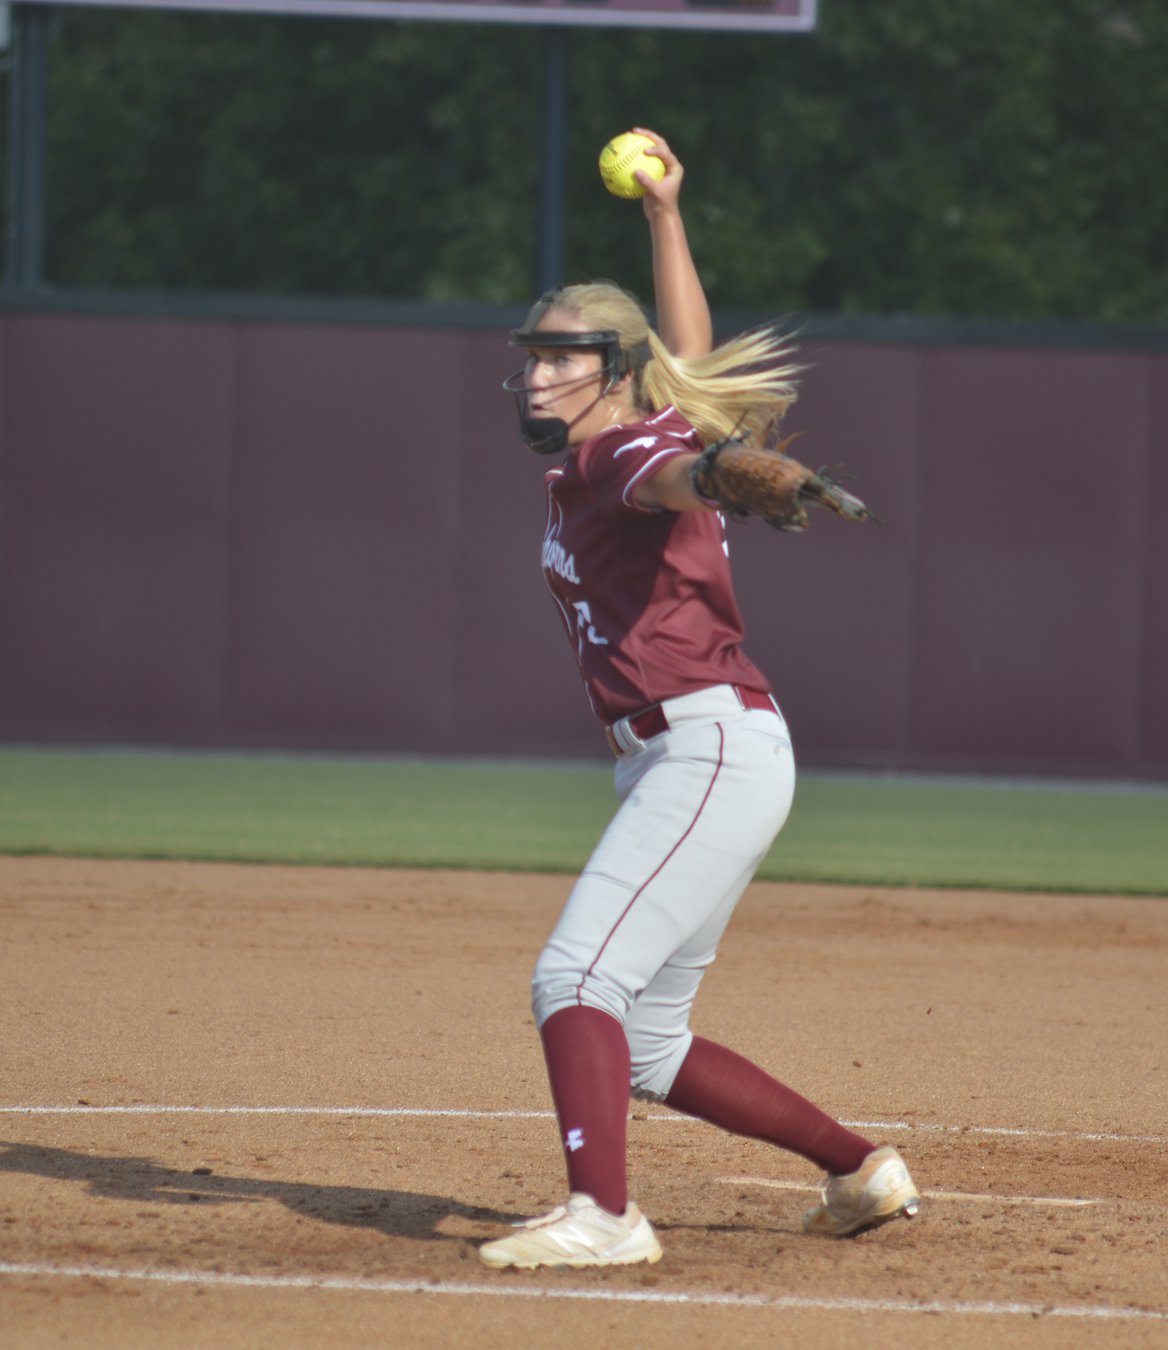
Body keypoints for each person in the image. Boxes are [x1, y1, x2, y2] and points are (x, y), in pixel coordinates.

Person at [478, 129, 919, 1271]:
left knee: (574, 979)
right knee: (643, 1044)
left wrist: (721, 472)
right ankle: (858, 1169)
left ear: (608, 373)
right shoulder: (647, 412)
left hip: (702, 746)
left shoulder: (614, 456)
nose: (532, 374)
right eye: (530, 356)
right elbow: (686, 352)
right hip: (700, 751)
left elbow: (666, 474)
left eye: (556, 358)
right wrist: (665, 214)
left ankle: (605, 1216)